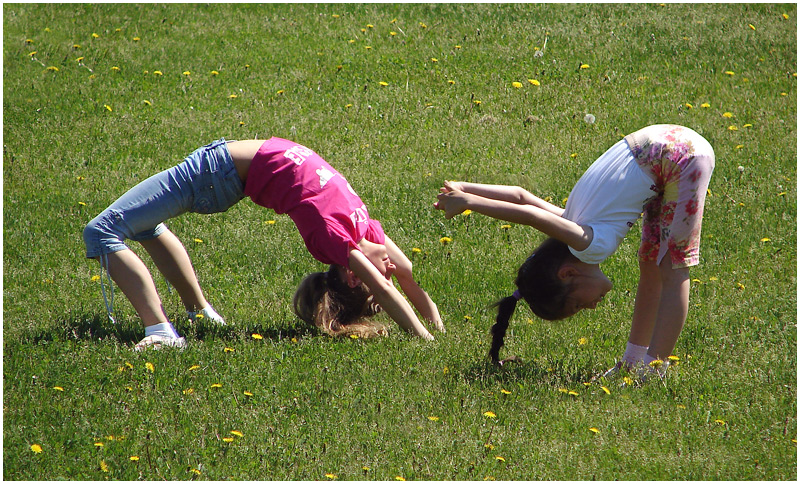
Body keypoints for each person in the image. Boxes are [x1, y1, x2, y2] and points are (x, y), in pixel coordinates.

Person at [84, 138, 444, 350]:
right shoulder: (366, 234)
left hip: (212, 175)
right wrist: (437, 329)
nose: (392, 269)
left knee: (101, 231)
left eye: (386, 274)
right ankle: (200, 312)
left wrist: (422, 338)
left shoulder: (336, 241)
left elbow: (382, 285)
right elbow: (407, 275)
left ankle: (159, 331)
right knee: (144, 225)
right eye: (389, 272)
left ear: (352, 276)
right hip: (220, 172)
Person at [434, 124, 714, 379]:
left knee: (673, 267)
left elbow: (530, 215)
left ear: (568, 273)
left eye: (578, 304)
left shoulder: (593, 246)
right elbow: (520, 195)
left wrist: (469, 201)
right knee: (651, 264)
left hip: (682, 158)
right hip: (659, 148)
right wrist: (463, 187)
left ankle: (654, 370)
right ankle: (632, 362)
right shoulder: (572, 221)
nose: (591, 307)